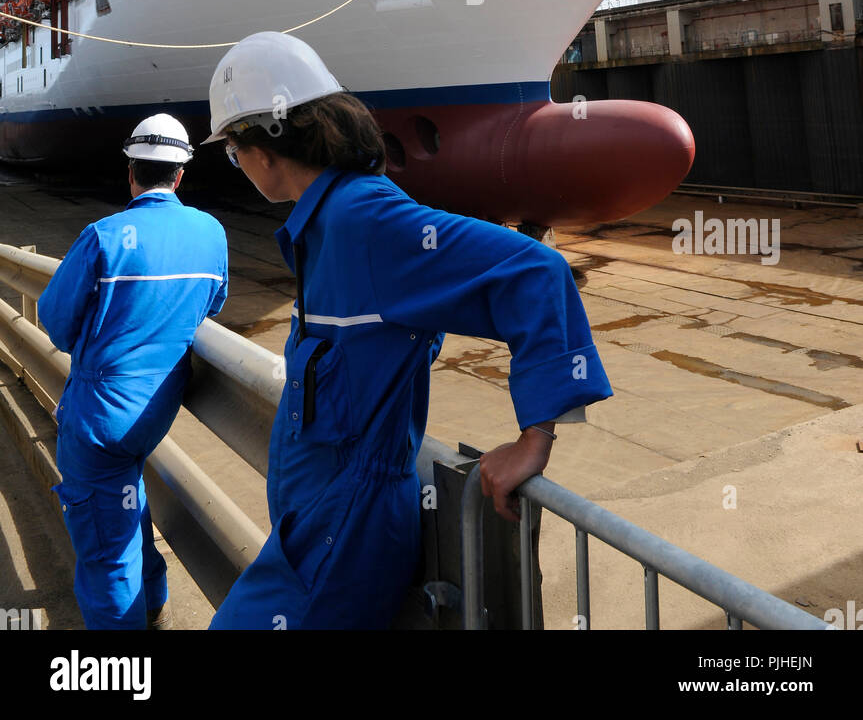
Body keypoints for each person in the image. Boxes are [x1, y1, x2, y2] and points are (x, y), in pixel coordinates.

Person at [204, 32, 612, 631]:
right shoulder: (324, 227)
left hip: (346, 535)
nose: (237, 166)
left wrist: (535, 439)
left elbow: (537, 269)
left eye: (233, 152)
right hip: (312, 526)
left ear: (263, 146)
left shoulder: (364, 219)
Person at [38, 114, 229, 631]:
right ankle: (154, 604)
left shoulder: (103, 237)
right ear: (180, 176)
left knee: (103, 550)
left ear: (131, 172)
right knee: (124, 501)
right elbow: (212, 304)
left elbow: (54, 323)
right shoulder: (211, 233)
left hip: (100, 418)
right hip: (156, 412)